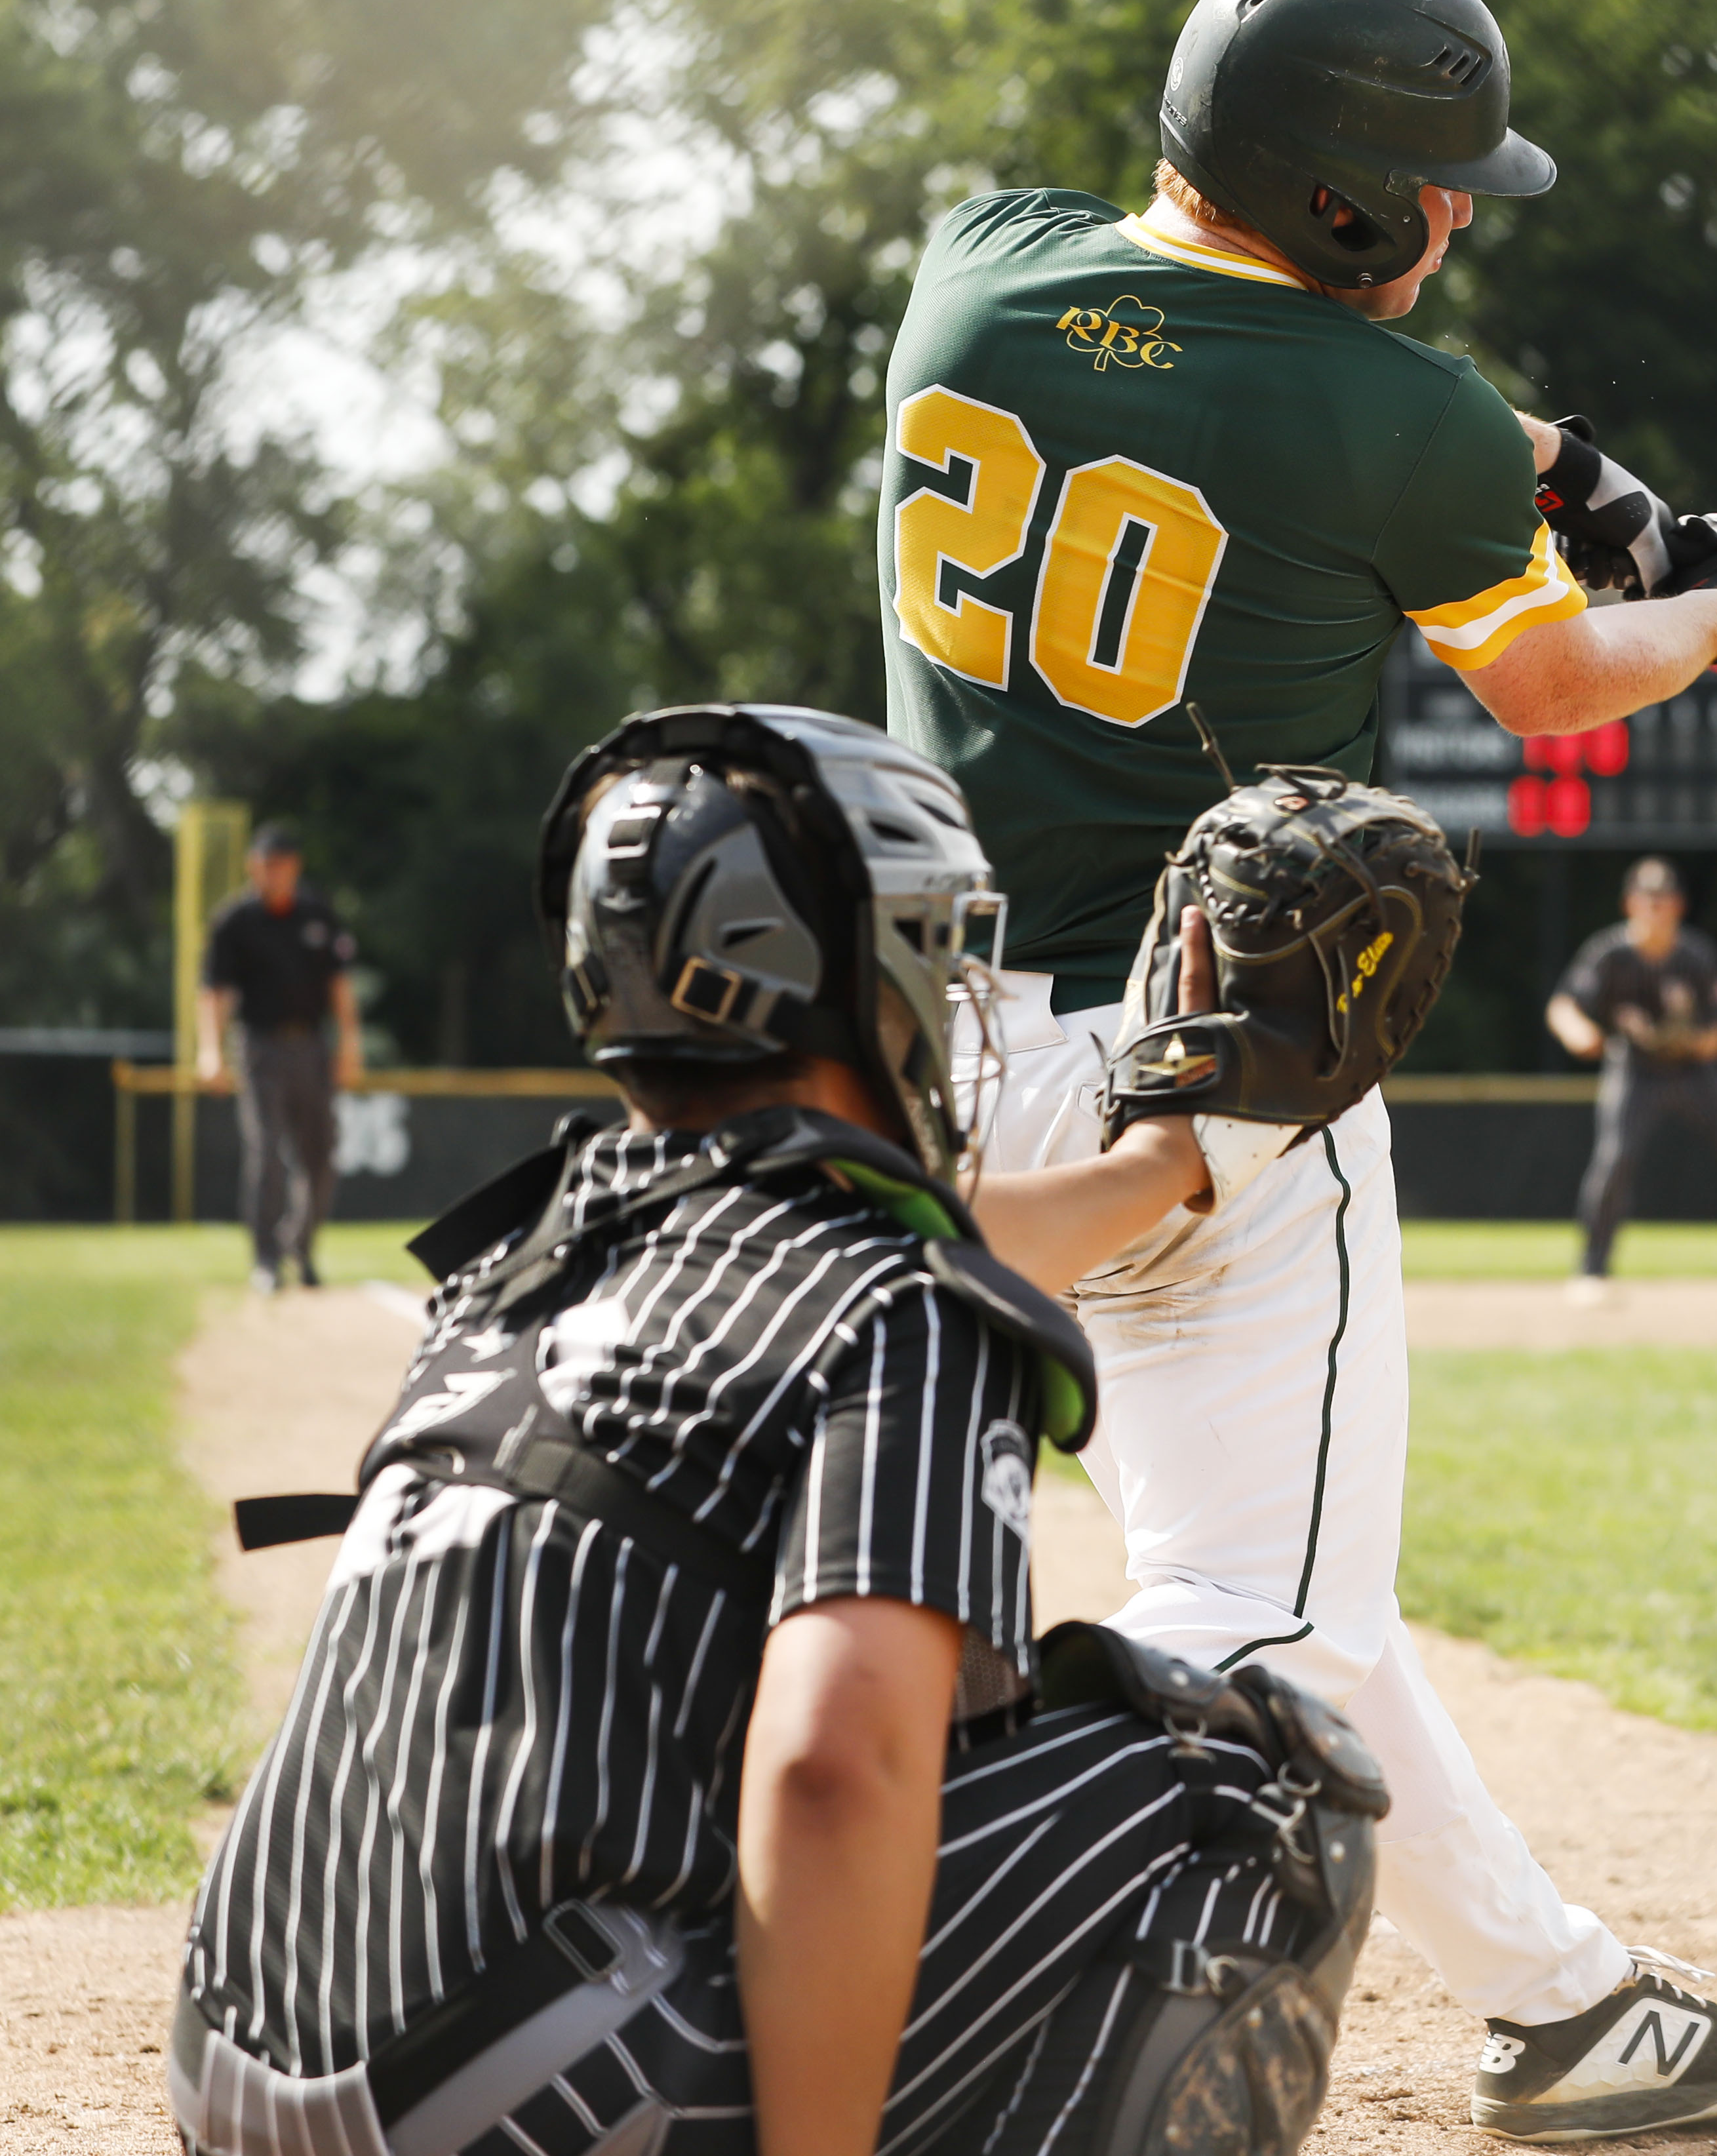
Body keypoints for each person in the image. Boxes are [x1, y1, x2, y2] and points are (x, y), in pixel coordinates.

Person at [874, 0, 1717, 2143]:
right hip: (1217, 1063)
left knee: (1281, 1584)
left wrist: (1556, 457)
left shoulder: (978, 267)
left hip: (925, 1057)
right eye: (1432, 187)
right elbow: (1564, 678)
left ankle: (1569, 2008)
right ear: (1332, 203)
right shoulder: (1394, 419)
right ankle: (984, 1967)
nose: (1459, 218)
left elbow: (1234, 379)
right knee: (1262, 1613)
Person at [173, 704, 1387, 2156]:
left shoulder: (533, 1252)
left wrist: (1167, 1156)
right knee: (1253, 1794)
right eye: (931, 947)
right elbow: (833, 1772)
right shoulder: (896, 1311)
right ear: (845, 969)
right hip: (510, 2112)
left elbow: (885, 1238)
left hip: (245, 2072)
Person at [1547, 859, 1717, 1294]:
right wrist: (1579, 1032)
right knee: (1615, 1160)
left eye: (1663, 901)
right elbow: (1564, 1005)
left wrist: (1689, 1041)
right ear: (1630, 904)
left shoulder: (1696, 956)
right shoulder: (1609, 953)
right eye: (1647, 900)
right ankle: (1591, 1272)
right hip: (1635, 1070)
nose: (1655, 910)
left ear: (1677, 905)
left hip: (1696, 1073)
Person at [195, 820, 363, 1291]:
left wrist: (350, 1044)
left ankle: (301, 1248)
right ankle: (265, 1259)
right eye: (267, 865)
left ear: (296, 867)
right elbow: (214, 992)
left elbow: (339, 984)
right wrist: (211, 1051)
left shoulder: (317, 914)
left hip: (311, 1045)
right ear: (254, 867)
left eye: (283, 865)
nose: (275, 873)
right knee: (266, 1153)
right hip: (260, 1046)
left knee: (321, 1156)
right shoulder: (236, 921)